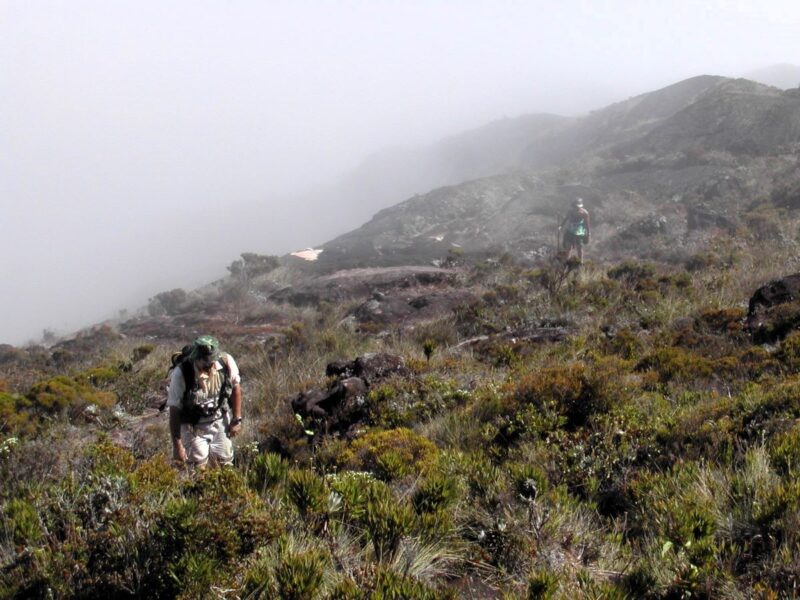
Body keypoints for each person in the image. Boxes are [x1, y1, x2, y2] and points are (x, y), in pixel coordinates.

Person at [167, 335, 243, 469]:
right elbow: (174, 410)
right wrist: (177, 447)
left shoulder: (226, 362)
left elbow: (236, 387)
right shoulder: (182, 373)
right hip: (193, 425)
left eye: (212, 361)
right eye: (206, 362)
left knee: (224, 464)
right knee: (197, 466)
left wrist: (236, 420)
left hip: (219, 419)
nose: (210, 365)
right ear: (196, 358)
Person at [560, 198, 591, 262]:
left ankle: (580, 262)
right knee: (568, 247)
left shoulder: (584, 213)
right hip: (570, 230)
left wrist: (588, 234)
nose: (576, 208)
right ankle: (567, 261)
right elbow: (566, 218)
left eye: (577, 206)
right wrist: (561, 226)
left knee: (579, 247)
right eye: (575, 206)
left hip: (579, 232)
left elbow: (587, 224)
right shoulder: (570, 211)